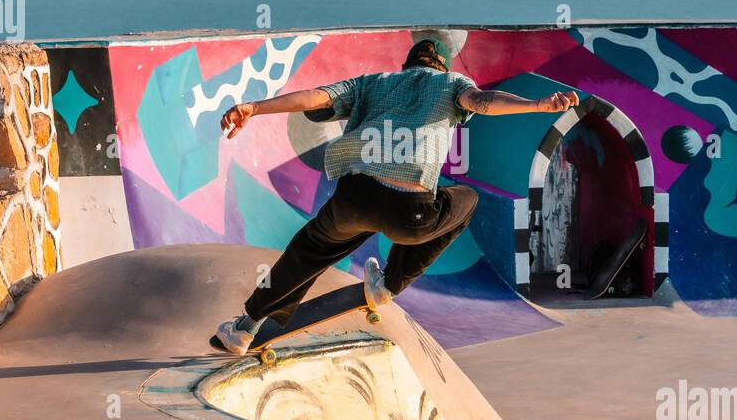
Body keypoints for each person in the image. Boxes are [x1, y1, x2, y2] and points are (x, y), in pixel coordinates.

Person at [214, 38, 578, 353]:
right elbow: (483, 101)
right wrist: (538, 105)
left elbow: (316, 97)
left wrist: (255, 108)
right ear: (439, 65)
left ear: (407, 66)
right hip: (411, 215)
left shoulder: (374, 83)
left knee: (307, 251)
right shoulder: (452, 83)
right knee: (466, 200)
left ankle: (246, 326)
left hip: (355, 199)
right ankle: (388, 285)